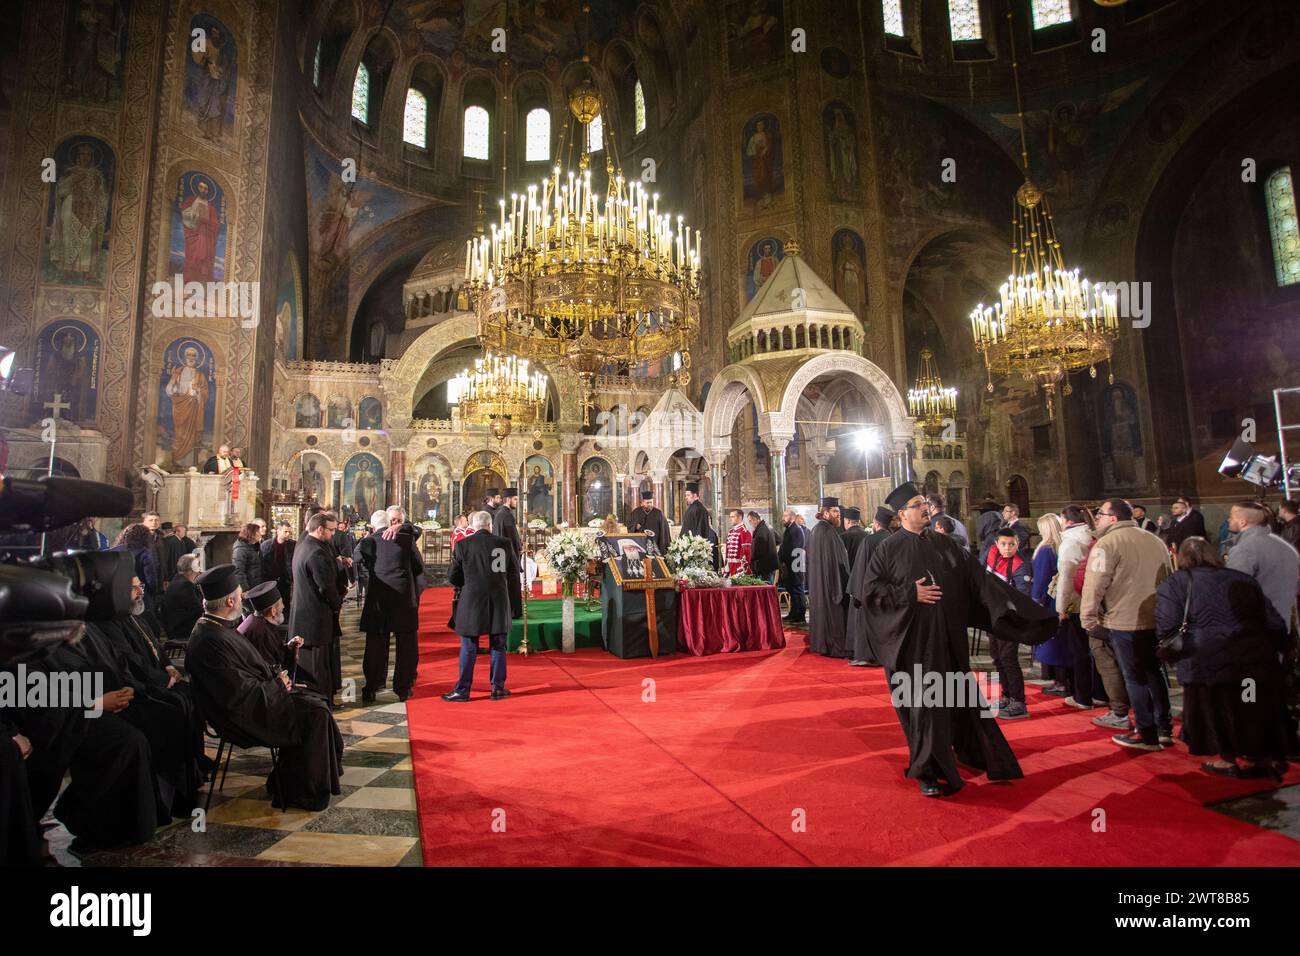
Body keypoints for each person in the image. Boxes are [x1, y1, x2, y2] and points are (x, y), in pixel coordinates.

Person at [858, 483, 1058, 797]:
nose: (924, 507)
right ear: (902, 514)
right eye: (916, 504)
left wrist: (1020, 613)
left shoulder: (946, 544)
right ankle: (929, 772)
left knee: (955, 700)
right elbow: (869, 593)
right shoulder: (888, 548)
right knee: (925, 708)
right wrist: (910, 594)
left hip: (949, 642)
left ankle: (969, 752)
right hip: (912, 647)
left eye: (924, 502)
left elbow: (980, 581)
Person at [186, 565, 343, 811]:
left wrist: (277, 678)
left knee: (316, 702)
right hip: (244, 715)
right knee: (316, 713)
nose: (242, 600)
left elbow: (249, 670)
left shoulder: (218, 628)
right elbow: (236, 693)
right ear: (229, 601)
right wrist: (277, 684)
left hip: (260, 700)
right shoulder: (210, 640)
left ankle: (292, 779)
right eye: (239, 595)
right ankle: (301, 791)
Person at [1158, 538, 1290, 780]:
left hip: (1206, 660)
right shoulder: (1242, 579)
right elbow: (1272, 619)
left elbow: (1167, 623)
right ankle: (1258, 758)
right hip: (1252, 660)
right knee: (1249, 705)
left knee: (1216, 711)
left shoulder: (1177, 583)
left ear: (1180, 556)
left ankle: (1226, 759)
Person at [1080, 499, 1174, 751]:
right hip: (1156, 618)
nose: (1096, 518)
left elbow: (1094, 584)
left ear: (1113, 518)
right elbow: (1169, 577)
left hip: (1124, 620)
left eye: (1100, 513)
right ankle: (1164, 728)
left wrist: (1087, 619)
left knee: (1135, 677)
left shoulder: (1107, 543)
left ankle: (1146, 732)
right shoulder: (1155, 540)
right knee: (1154, 673)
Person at [1056, 504, 1124, 719]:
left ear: (1066, 520)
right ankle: (1100, 693)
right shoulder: (1093, 536)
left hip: (1077, 601)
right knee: (1098, 651)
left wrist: (1061, 607)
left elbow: (1067, 577)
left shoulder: (1070, 542)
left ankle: (1082, 696)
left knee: (1080, 651)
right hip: (1100, 601)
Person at [445, 511, 518, 702]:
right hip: (499, 599)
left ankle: (462, 691)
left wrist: (468, 582)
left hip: (472, 601)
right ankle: (497, 688)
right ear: (490, 525)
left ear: (473, 526)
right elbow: (512, 572)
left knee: (469, 646)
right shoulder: (504, 543)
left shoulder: (463, 545)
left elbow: (453, 576)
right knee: (498, 645)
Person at [356, 505, 426, 703]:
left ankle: (372, 686)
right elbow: (418, 567)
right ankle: (403, 688)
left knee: (376, 644)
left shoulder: (368, 541)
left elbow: (358, 561)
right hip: (403, 599)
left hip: (378, 599)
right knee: (406, 645)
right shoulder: (406, 540)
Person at [289, 512, 345, 701]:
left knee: (314, 664)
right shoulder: (317, 553)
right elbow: (326, 586)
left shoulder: (304, 545)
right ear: (320, 529)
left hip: (304, 615)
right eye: (331, 530)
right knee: (317, 667)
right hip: (315, 619)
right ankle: (320, 703)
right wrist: (338, 603)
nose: (333, 534)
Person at [1225, 500, 1300, 633]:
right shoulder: (1281, 543)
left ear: (1242, 522)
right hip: (1285, 619)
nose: (1228, 520)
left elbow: (1235, 591)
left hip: (1262, 624)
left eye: (1231, 517)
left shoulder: (1244, 549)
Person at [984, 528, 1032, 719]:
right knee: (997, 657)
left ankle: (1019, 701)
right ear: (996, 544)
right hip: (992, 616)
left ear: (1017, 544)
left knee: (1008, 659)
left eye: (1011, 544)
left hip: (1009, 620)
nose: (1007, 548)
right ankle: (1006, 695)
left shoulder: (1021, 565)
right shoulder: (991, 556)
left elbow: (1022, 595)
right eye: (1003, 544)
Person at [1029, 513, 1074, 699]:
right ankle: (1063, 681)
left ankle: (1060, 682)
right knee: (1061, 640)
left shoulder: (1046, 550)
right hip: (1059, 598)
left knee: (1053, 641)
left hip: (1048, 600)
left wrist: (1035, 599)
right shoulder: (1061, 546)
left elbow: (1041, 578)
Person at [846, 504, 894, 666]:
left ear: (876, 523)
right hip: (890, 591)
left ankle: (867, 656)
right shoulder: (893, 539)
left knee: (866, 624)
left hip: (871, 591)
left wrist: (857, 593)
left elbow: (861, 568)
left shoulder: (869, 540)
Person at [806, 497, 850, 658]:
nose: (839, 515)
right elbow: (838, 562)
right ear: (825, 513)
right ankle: (835, 647)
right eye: (835, 512)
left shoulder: (816, 530)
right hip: (831, 584)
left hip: (818, 583)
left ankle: (821, 644)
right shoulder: (829, 532)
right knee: (834, 616)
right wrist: (843, 585)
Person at [238, 580, 304, 673]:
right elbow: (269, 669)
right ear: (273, 611)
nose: (283, 606)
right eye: (281, 603)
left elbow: (275, 654)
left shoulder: (256, 621)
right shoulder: (260, 632)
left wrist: (289, 647)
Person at [492, 487, 524, 620]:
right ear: (508, 499)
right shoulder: (507, 515)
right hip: (509, 557)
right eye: (515, 499)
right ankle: (513, 612)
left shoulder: (500, 514)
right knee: (512, 584)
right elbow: (512, 538)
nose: (517, 502)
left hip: (501, 556)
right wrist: (519, 548)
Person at [161, 553, 204, 644]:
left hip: (174, 627)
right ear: (194, 569)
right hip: (182, 630)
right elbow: (199, 610)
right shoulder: (185, 586)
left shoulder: (176, 581)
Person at [778, 507, 807, 624]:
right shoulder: (791, 529)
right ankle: (793, 613)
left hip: (796, 564)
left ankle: (799, 615)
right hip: (792, 564)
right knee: (792, 589)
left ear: (792, 517)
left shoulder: (795, 530)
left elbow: (793, 548)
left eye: (785, 516)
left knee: (797, 589)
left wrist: (783, 558)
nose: (783, 518)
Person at [260, 521, 296, 610]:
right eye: (285, 531)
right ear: (278, 531)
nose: (288, 534)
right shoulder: (266, 545)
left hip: (285, 580)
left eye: (289, 532)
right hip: (270, 580)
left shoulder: (293, 545)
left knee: (285, 606)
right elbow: (262, 563)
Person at [680, 482, 718, 567]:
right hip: (688, 546)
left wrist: (696, 547)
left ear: (695, 495)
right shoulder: (691, 508)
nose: (686, 497)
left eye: (688, 495)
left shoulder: (700, 509)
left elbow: (701, 529)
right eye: (686, 495)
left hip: (694, 548)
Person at [746, 511, 779, 584]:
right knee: (768, 586)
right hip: (770, 565)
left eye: (750, 521)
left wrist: (751, 558)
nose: (750, 523)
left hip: (763, 566)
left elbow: (758, 551)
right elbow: (778, 540)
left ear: (755, 519)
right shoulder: (769, 526)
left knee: (764, 589)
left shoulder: (760, 531)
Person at [232, 521, 263, 592]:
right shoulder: (240, 549)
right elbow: (238, 571)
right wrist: (245, 589)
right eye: (258, 532)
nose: (260, 534)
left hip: (255, 585)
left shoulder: (253, 546)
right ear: (251, 533)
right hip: (249, 588)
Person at [724, 508, 752, 577]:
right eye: (730, 517)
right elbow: (728, 552)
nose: (730, 519)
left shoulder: (744, 531)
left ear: (739, 517)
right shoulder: (731, 531)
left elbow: (746, 553)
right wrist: (726, 566)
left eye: (733, 517)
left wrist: (742, 569)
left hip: (739, 567)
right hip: (730, 567)